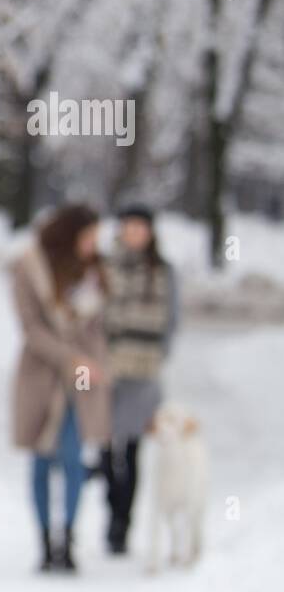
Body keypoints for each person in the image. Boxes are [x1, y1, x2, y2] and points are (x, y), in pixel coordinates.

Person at [9, 204, 111, 574]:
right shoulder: (30, 268)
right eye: (88, 238)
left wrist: (96, 364)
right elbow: (31, 329)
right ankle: (43, 541)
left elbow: (98, 328)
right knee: (40, 459)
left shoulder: (94, 272)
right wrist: (71, 358)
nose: (93, 245)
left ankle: (66, 538)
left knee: (72, 457)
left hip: (83, 382)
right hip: (41, 375)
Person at [90, 204, 179, 554]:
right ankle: (110, 506)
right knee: (105, 444)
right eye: (129, 227)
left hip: (144, 369)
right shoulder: (105, 265)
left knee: (132, 447)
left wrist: (160, 354)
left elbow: (173, 318)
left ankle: (121, 523)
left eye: (141, 227)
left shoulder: (164, 271)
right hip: (107, 367)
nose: (135, 233)